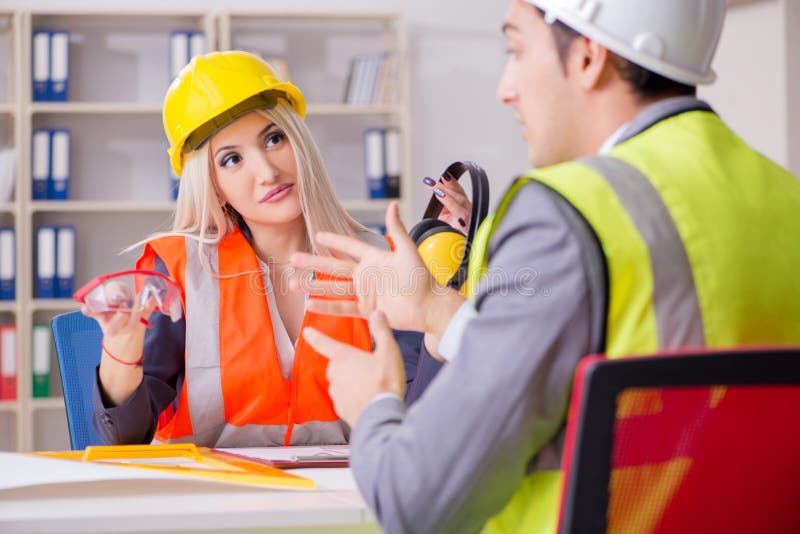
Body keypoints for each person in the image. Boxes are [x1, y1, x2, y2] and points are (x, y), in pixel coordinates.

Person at [290, 0, 800, 532]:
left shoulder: (567, 210)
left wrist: (372, 406)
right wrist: (434, 308)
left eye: (516, 49)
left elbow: (416, 499)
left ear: (587, 57)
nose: (504, 88)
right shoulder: (785, 199)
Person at [86, 50, 436, 448]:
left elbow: (419, 417)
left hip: (349, 496)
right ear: (212, 184)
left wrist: (440, 311)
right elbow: (126, 438)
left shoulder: (376, 262)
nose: (267, 173)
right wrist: (123, 350)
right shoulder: (181, 270)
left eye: (273, 139)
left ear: (300, 142)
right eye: (232, 159)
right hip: (217, 500)